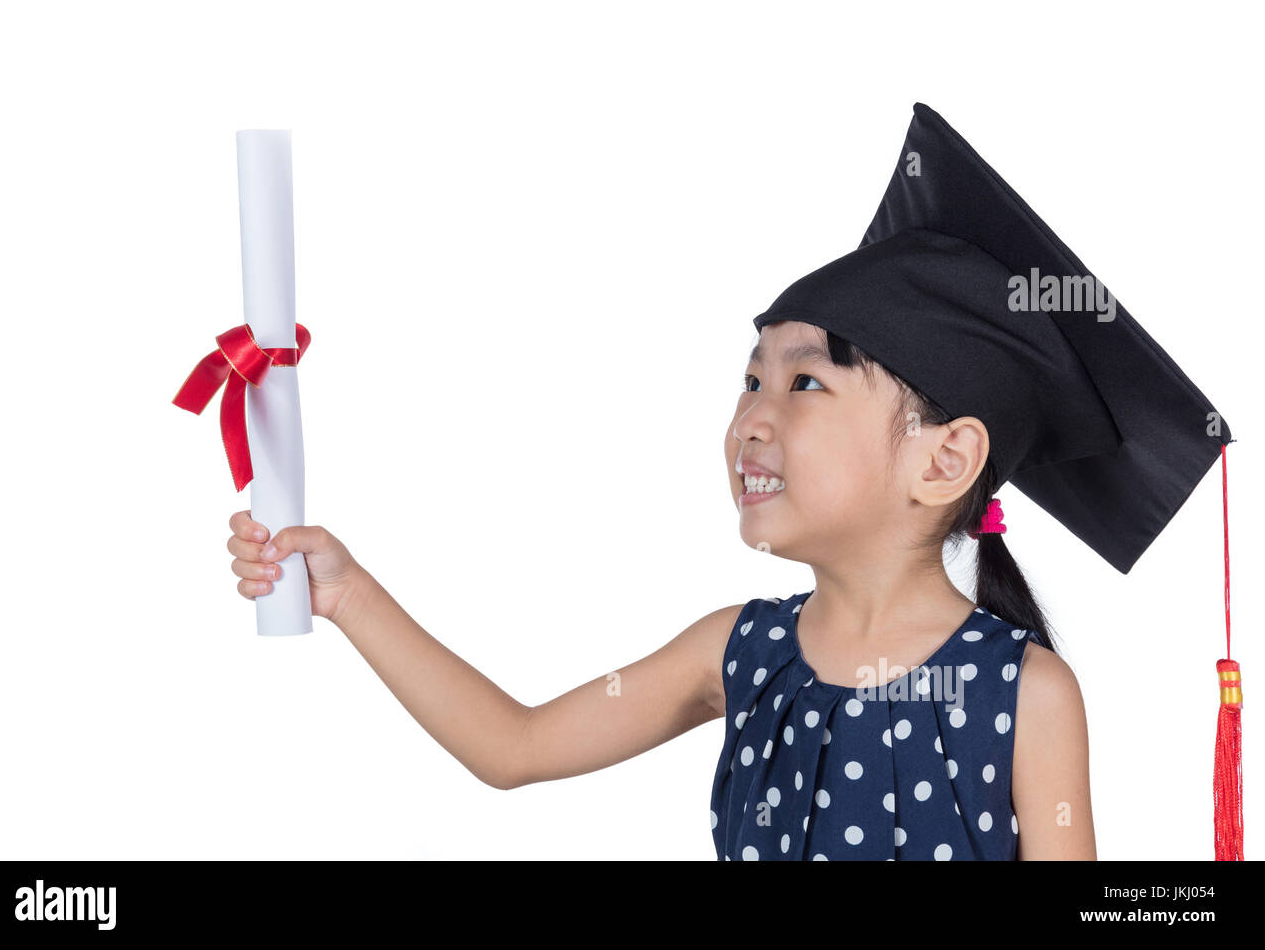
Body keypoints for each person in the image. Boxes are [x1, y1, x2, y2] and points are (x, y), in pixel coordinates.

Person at [224, 103, 1232, 860]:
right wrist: (349, 594)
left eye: (803, 381)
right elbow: (514, 742)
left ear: (944, 458)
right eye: (749, 378)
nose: (752, 414)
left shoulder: (1025, 694)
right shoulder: (736, 651)